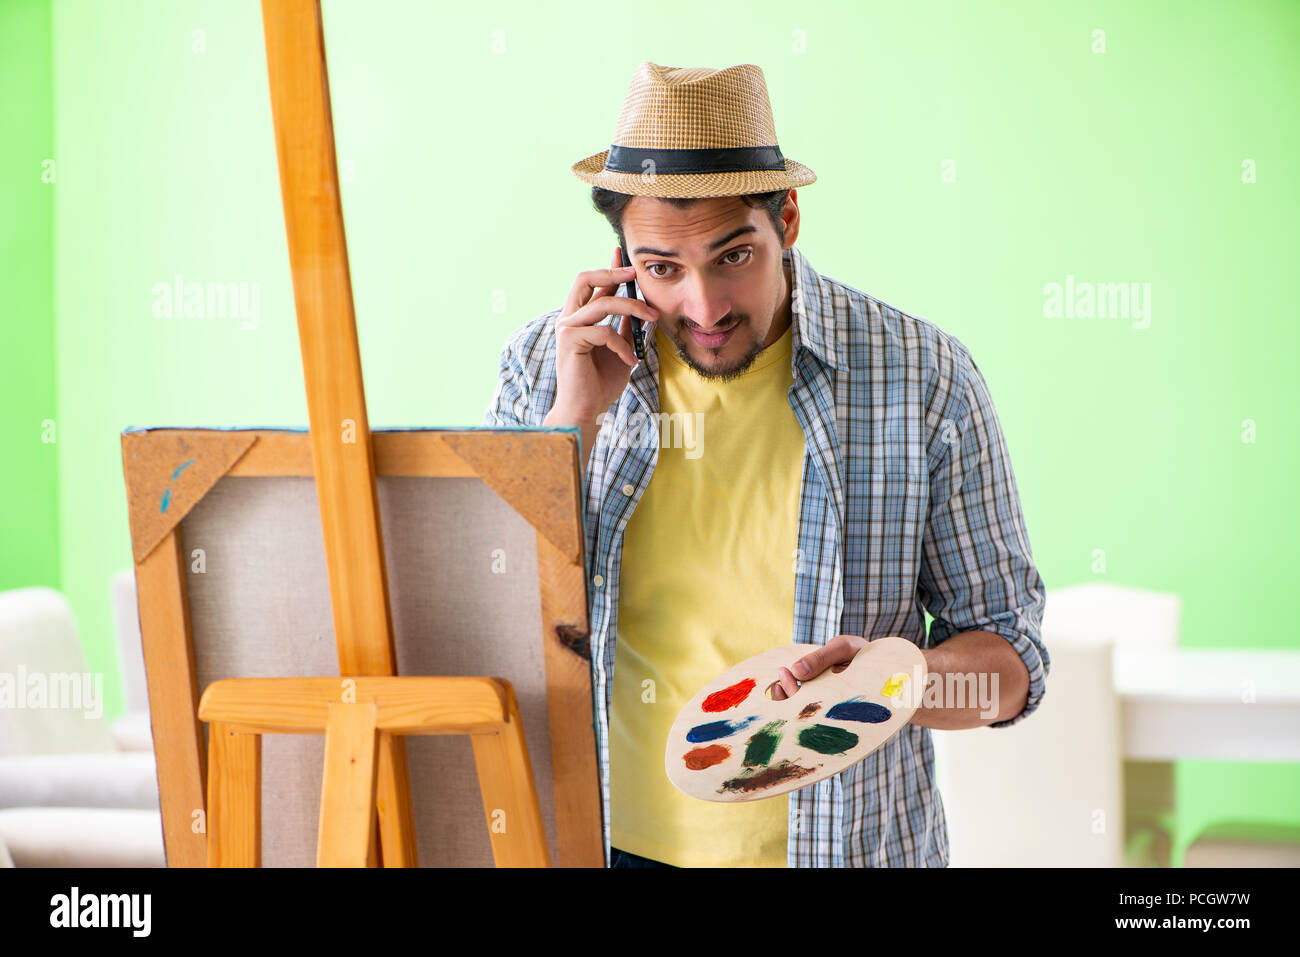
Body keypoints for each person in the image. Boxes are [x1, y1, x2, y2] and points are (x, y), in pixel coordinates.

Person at [483, 61, 1049, 868]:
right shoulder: (546, 366)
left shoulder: (922, 377)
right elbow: (482, 618)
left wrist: (894, 682)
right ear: (621, 254)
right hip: (600, 843)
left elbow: (1012, 671)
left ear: (786, 218)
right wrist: (571, 424)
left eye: (733, 257)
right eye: (663, 268)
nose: (705, 307)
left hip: (846, 850)